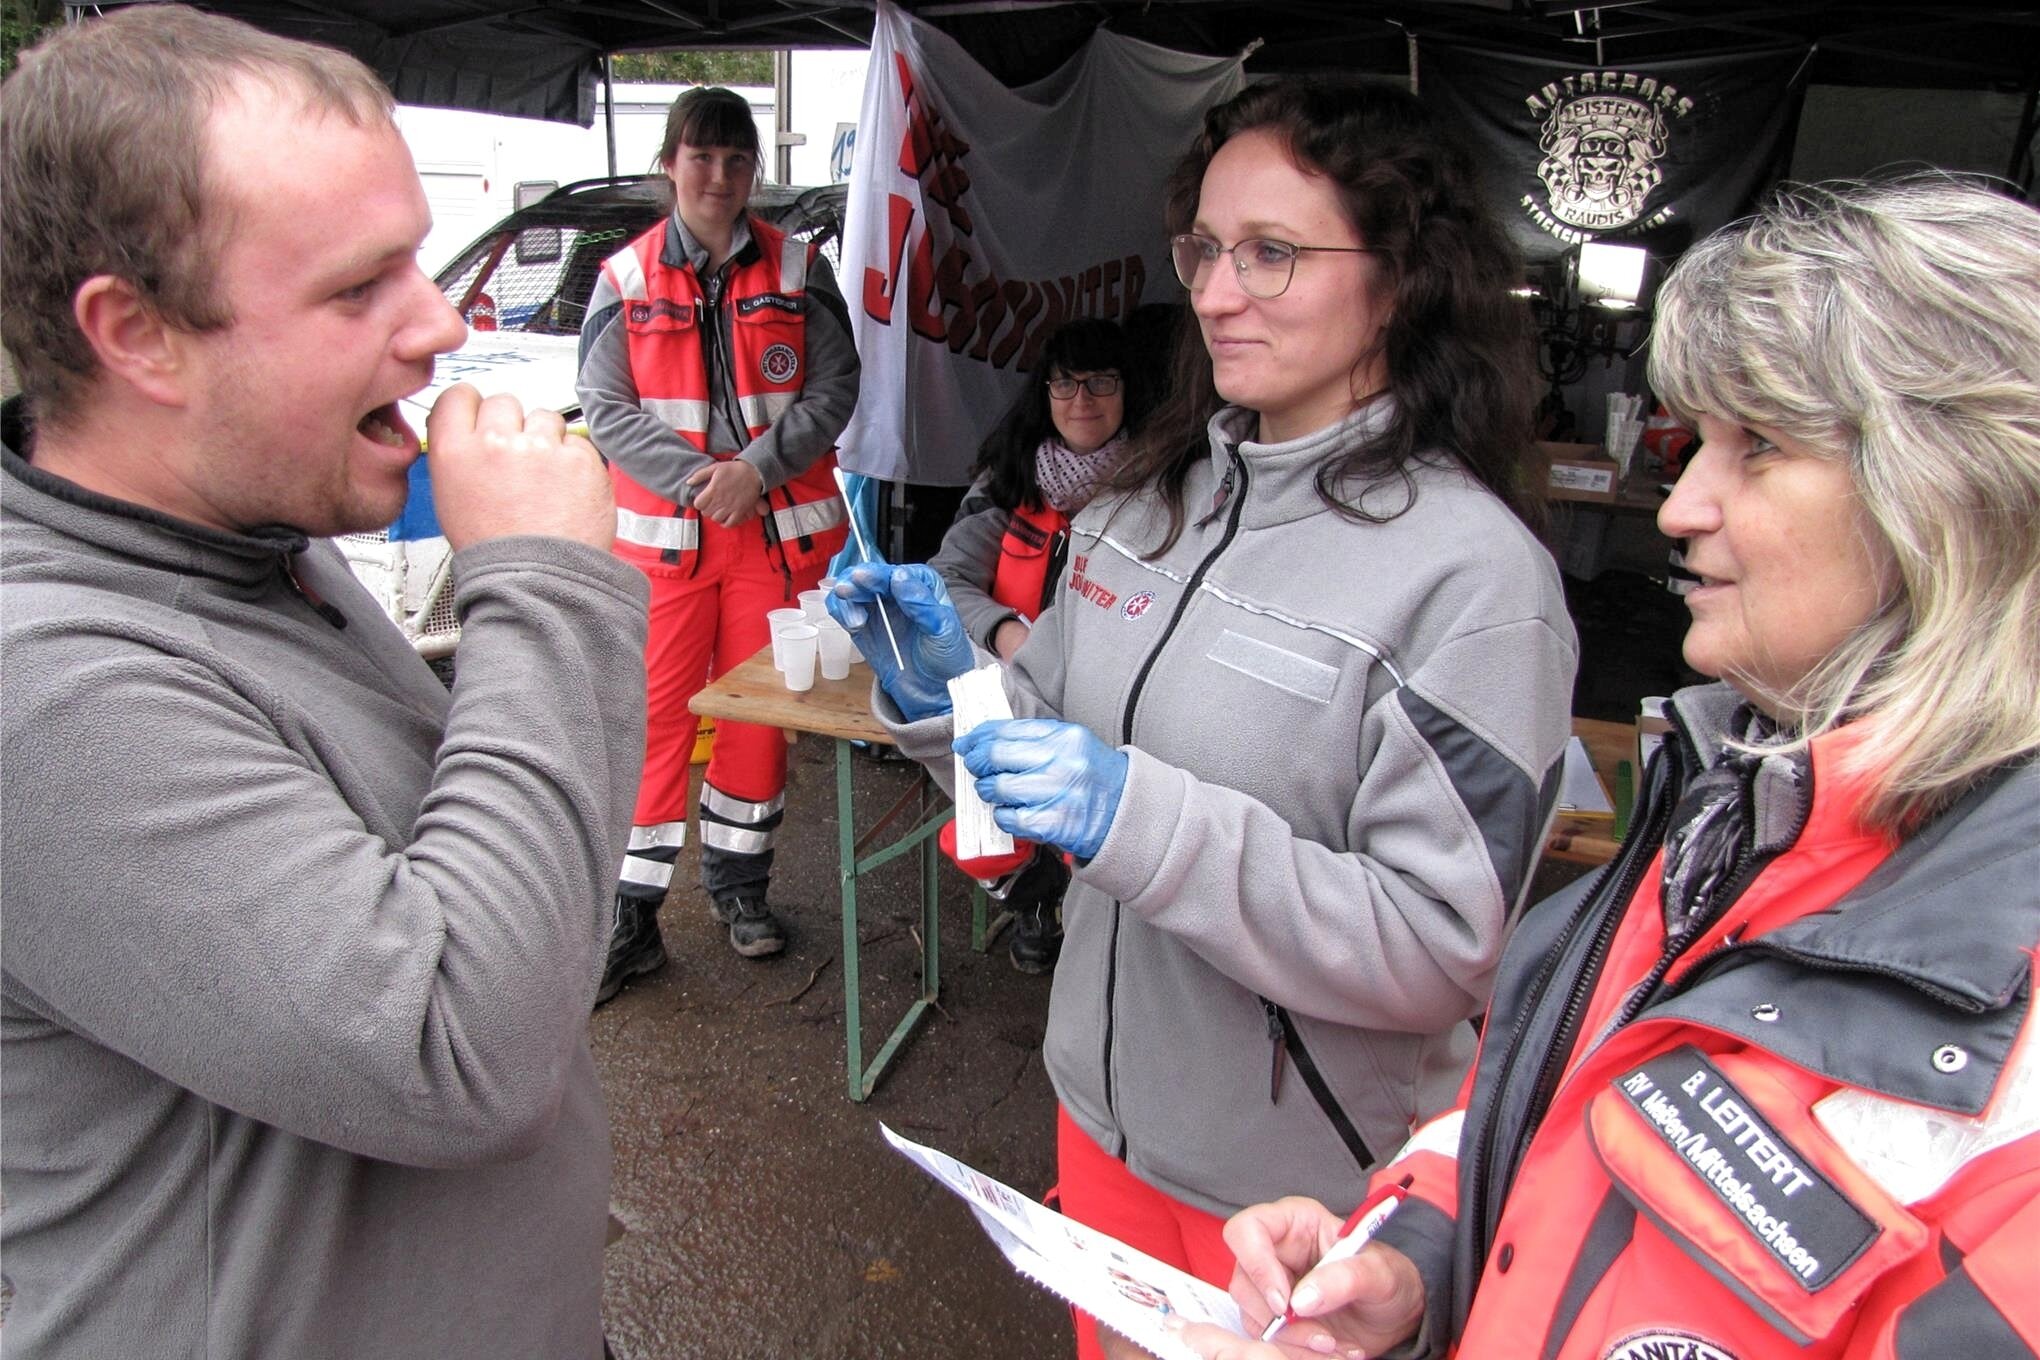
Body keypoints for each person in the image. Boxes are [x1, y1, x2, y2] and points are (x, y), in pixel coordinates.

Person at [1173, 177, 2040, 1360]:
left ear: (1961, 494)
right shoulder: (1740, 806)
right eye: (1698, 445)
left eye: (1762, 448)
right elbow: (1572, 1113)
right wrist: (1421, 1255)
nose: (1680, 507)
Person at [832, 80, 1577, 1359]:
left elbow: (1441, 944)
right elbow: (1040, 747)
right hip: (1099, 1124)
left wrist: (1138, 814)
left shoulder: (1476, 583)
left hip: (1302, 1199)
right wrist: (941, 686)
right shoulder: (1142, 503)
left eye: (1272, 255)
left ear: (1400, 280)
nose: (1218, 294)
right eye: (1206, 252)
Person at [0, 9, 647, 1358]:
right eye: (361, 290)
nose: (442, 325)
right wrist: (541, 584)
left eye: (417, 258)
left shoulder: (254, 527)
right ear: (137, 336)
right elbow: (460, 1050)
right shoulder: (45, 691)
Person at [577, 85, 859, 990]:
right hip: (667, 549)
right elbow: (607, 410)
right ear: (671, 165)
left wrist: (759, 472)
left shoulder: (800, 269)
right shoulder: (621, 279)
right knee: (651, 726)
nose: (720, 175)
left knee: (757, 729)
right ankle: (631, 918)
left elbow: (835, 389)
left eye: (737, 160)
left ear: (754, 173)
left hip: (775, 549)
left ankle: (741, 890)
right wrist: (710, 483)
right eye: (701, 156)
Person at [929, 316, 1151, 974]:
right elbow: (947, 578)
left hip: (1113, 699)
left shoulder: (1165, 486)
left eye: (1102, 381)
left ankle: (1102, 915)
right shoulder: (1008, 481)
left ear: (1130, 390)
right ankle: (1036, 899)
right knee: (979, 826)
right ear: (1044, 392)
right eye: (1066, 382)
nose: (1082, 398)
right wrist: (1002, 629)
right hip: (1013, 689)